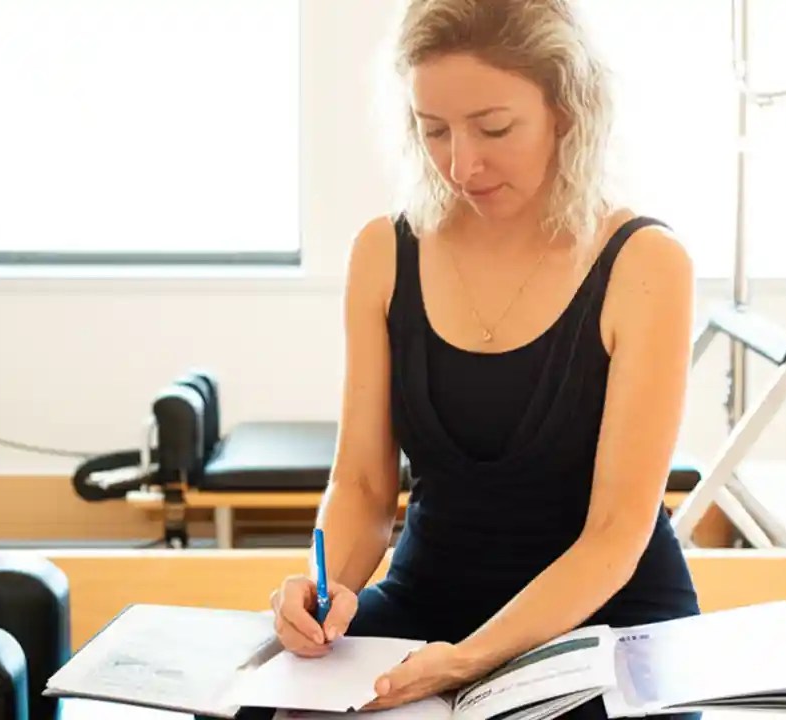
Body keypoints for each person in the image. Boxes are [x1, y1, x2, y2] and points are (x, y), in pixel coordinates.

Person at [270, 0, 700, 716]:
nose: (461, 164)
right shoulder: (384, 251)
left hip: (606, 617)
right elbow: (365, 487)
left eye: (494, 128)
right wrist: (325, 593)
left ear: (566, 110)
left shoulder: (647, 263)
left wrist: (468, 663)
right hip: (428, 596)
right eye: (432, 130)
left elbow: (616, 534)